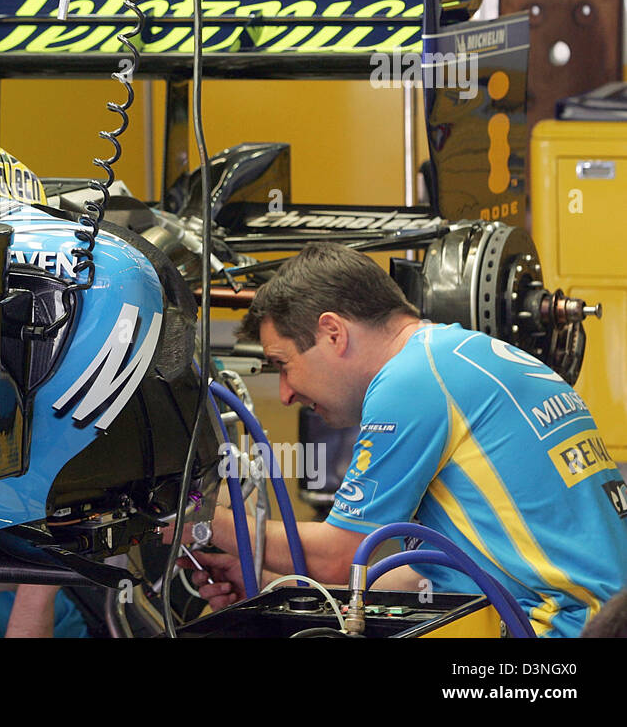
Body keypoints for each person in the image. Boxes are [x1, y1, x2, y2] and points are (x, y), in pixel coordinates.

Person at [184, 243, 627, 638]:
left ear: (333, 332)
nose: (285, 394)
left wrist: (203, 521)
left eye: (283, 364)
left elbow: (342, 555)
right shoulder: (456, 357)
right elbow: (435, 578)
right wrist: (270, 581)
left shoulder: (412, 381)